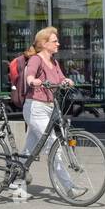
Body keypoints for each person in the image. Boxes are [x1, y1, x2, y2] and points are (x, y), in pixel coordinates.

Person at [23, 27, 73, 157]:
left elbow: (61, 79)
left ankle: (16, 173)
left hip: (49, 107)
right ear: (44, 44)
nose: (58, 43)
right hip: (36, 108)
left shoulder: (54, 62)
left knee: (30, 150)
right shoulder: (36, 59)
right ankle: (67, 179)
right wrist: (32, 81)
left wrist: (67, 81)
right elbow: (30, 75)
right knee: (54, 147)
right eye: (55, 41)